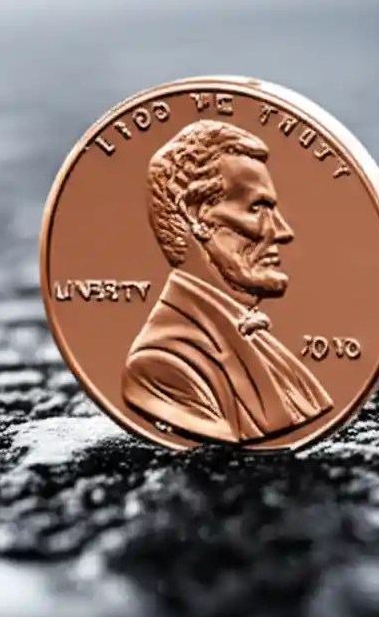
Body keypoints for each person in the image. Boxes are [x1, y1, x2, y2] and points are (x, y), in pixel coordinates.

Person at [122, 119, 333, 444]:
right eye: (258, 208)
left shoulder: (252, 336)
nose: (281, 231)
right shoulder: (160, 364)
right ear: (195, 215)